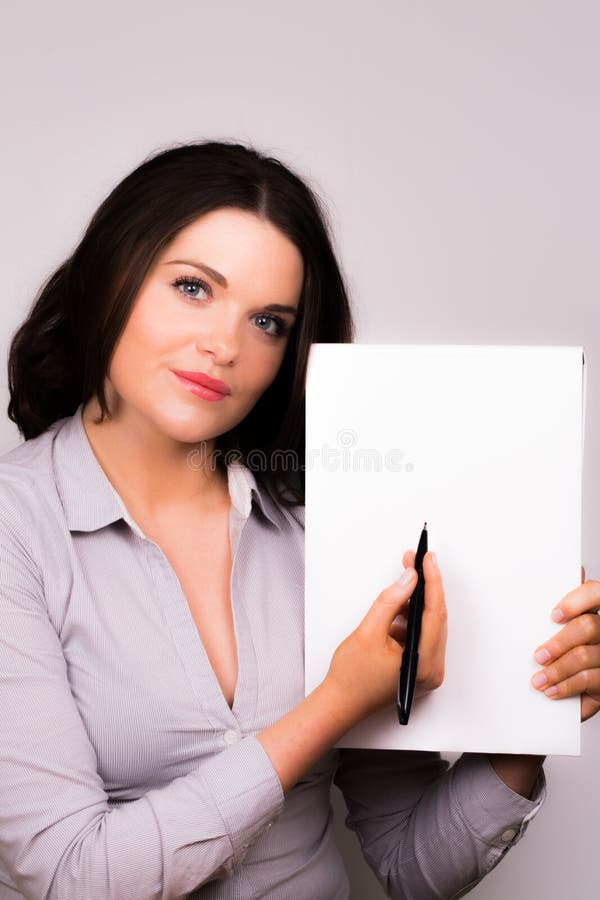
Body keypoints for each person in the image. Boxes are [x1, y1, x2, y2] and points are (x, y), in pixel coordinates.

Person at [0, 140, 598, 900]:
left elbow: (411, 867)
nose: (224, 346)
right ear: (110, 273)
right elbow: (69, 878)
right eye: (192, 287)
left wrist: (532, 721)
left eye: (270, 323)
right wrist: (334, 705)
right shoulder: (16, 527)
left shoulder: (323, 531)